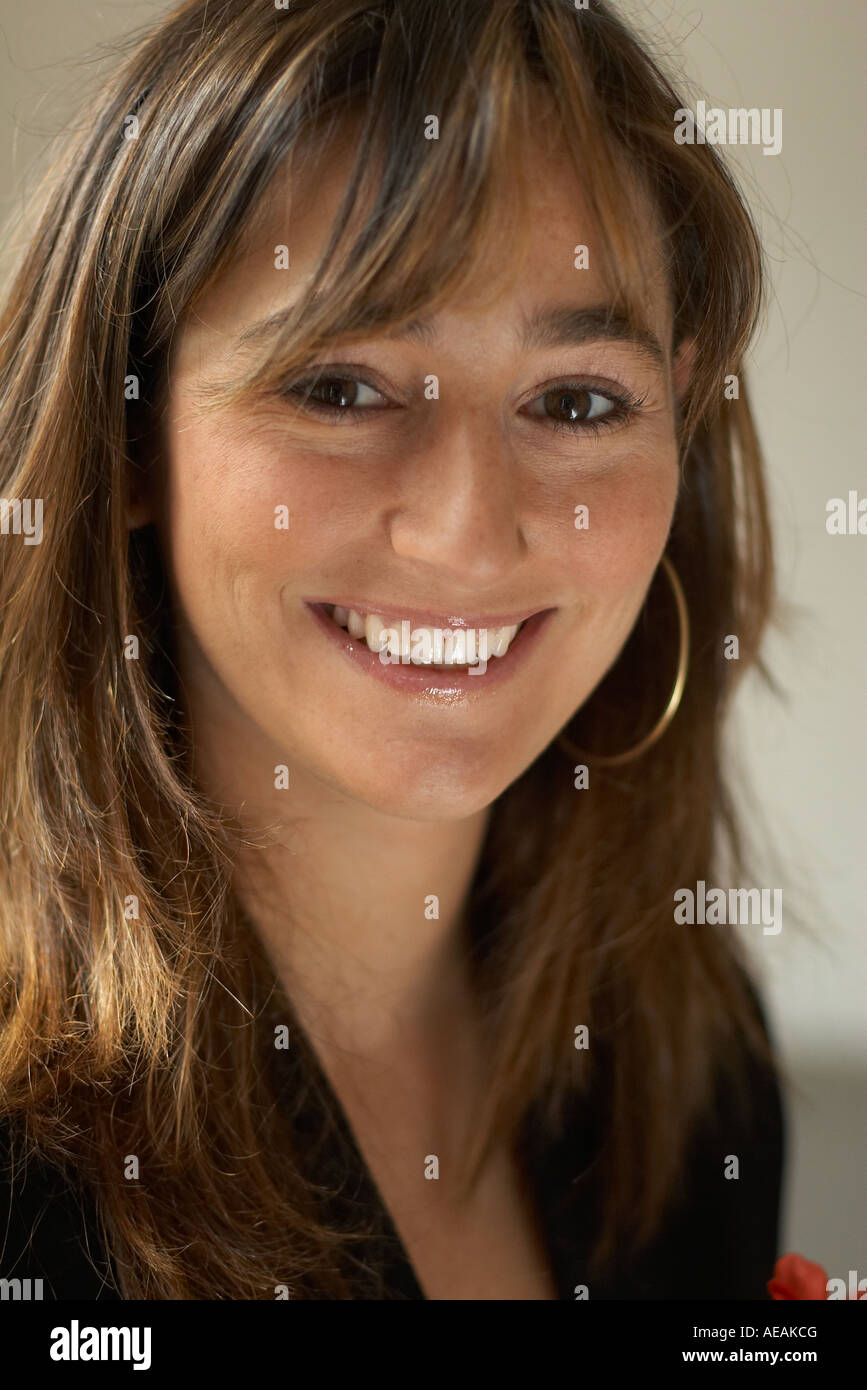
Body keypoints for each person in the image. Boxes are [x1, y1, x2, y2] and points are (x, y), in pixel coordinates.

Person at [0, 0, 784, 1300]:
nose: (467, 537)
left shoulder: (695, 1073)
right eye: (341, 387)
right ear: (127, 430)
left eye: (577, 400)